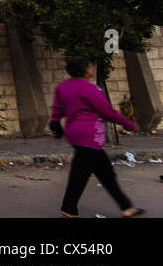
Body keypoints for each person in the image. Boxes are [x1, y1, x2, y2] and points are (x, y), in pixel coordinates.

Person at [51, 56, 144, 217]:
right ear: (85, 70)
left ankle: (126, 207)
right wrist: (130, 124)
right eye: (90, 67)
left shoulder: (62, 87)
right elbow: (108, 112)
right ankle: (69, 208)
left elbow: (57, 111)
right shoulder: (92, 89)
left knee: (104, 172)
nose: (92, 69)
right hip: (90, 135)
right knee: (81, 175)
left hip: (75, 134)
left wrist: (55, 126)